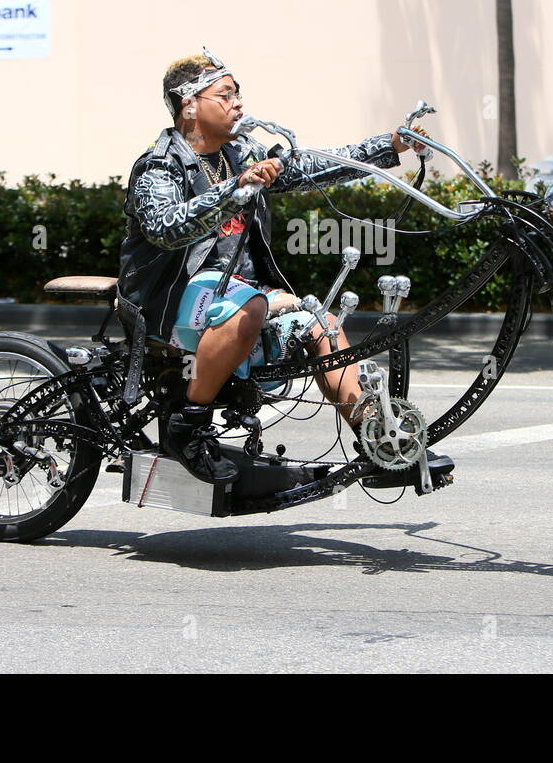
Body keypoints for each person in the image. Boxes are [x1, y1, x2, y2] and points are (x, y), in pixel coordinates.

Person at [117, 48, 427, 485]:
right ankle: (186, 427)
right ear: (189, 105)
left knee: (321, 324)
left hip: (235, 292)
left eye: (238, 93)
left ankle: (379, 444)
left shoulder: (238, 151)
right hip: (165, 298)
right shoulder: (159, 163)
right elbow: (165, 227)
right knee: (250, 308)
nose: (238, 103)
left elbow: (311, 167)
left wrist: (388, 146)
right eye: (225, 95)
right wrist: (236, 188)